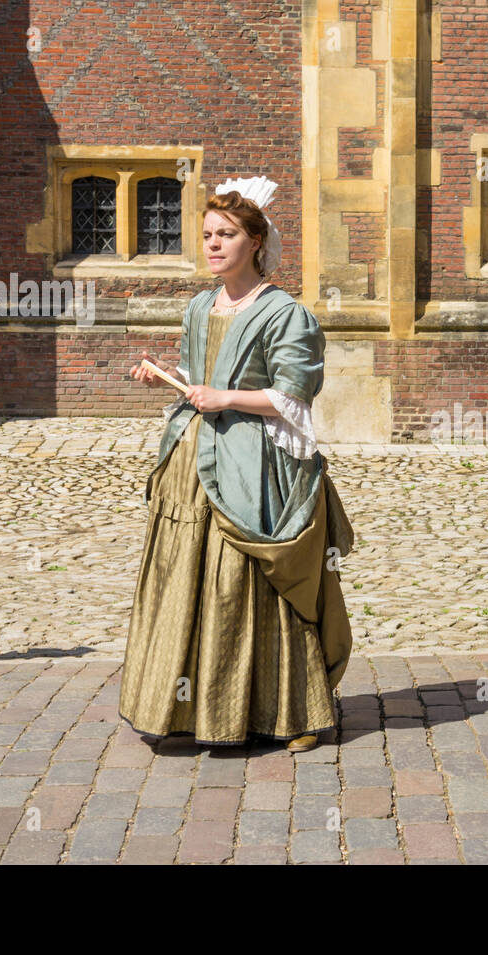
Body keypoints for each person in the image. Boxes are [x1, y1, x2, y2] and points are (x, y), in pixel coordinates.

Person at [119, 176, 353, 754]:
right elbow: (195, 376)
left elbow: (293, 396)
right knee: (189, 581)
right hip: (191, 457)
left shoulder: (285, 313)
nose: (214, 244)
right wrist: (165, 377)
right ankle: (189, 708)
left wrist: (224, 398)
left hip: (253, 463)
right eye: (206, 235)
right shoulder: (200, 306)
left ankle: (293, 710)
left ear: (256, 242)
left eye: (227, 235)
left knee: (251, 583)